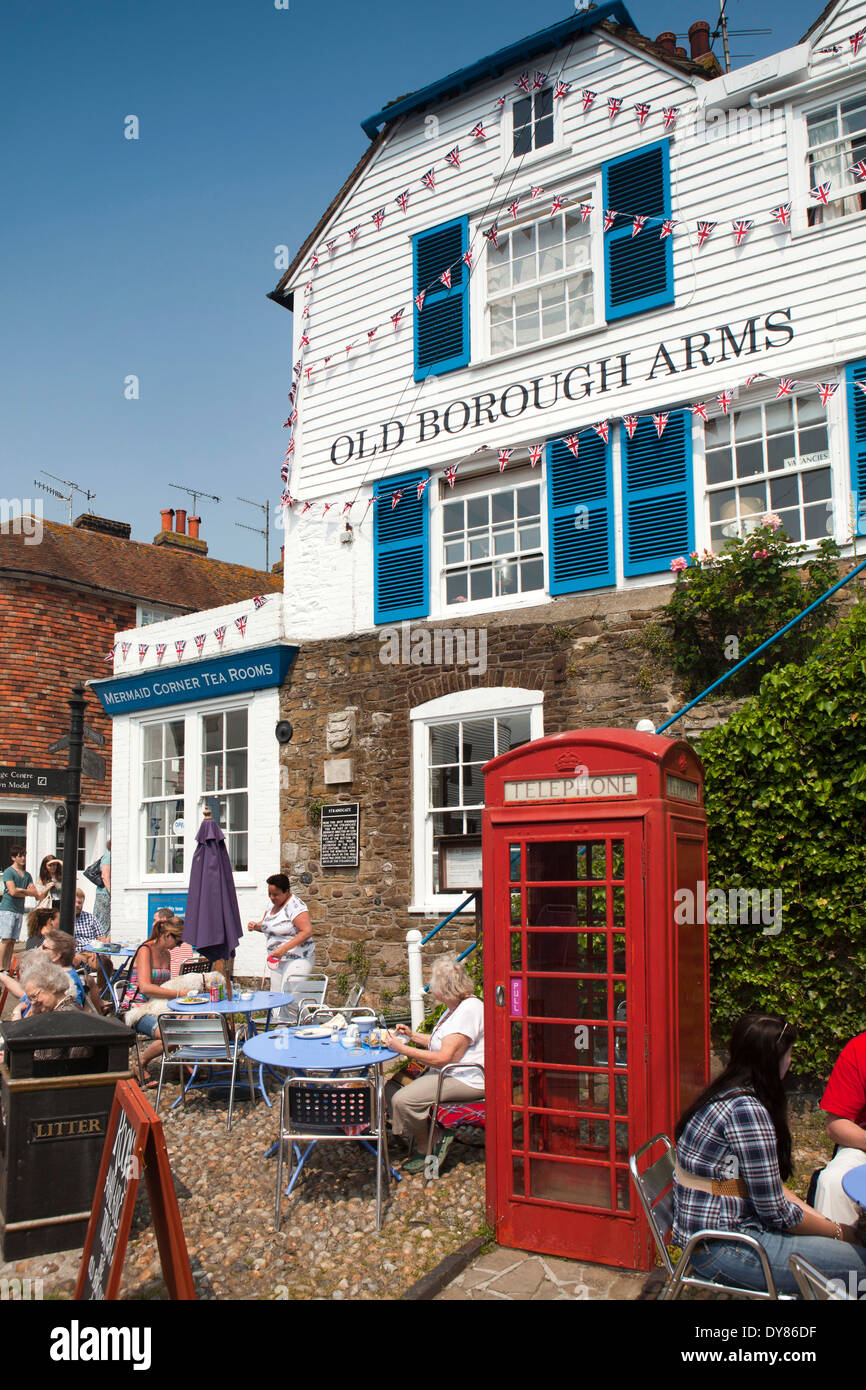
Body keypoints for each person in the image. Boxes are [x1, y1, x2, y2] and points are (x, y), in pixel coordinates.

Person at [672, 1012, 866, 1297]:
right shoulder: (748, 1112)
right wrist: (840, 1233)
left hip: (711, 1238)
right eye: (788, 1054)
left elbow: (771, 1189)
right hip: (729, 1249)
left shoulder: (726, 1092)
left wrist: (832, 1228)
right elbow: (777, 1213)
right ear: (770, 1060)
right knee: (860, 1266)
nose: (791, 1061)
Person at [383, 954, 484, 1175]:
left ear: (445, 987)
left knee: (402, 1100)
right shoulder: (454, 1007)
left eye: (432, 982)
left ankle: (430, 1140)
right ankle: (427, 1130)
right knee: (391, 1088)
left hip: (465, 1078)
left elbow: (445, 1057)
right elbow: (439, 1042)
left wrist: (402, 1050)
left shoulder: (469, 1010)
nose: (429, 987)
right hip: (447, 1072)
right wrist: (412, 1036)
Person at [814, 1030, 866, 1225]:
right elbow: (837, 1125)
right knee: (833, 1182)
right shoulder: (860, 1048)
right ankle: (833, 1253)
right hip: (863, 1144)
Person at [247, 874, 314, 1016]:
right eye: (269, 894)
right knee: (276, 998)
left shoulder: (296, 906)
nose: (271, 897)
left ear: (286, 891)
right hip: (277, 960)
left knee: (290, 994)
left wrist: (283, 949)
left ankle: (299, 1024)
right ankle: (283, 1025)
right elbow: (269, 926)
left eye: (275, 894)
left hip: (298, 958)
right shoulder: (272, 904)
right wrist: (256, 926)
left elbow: (307, 931)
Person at [0, 847, 47, 972]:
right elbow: (12, 891)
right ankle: (0, 967)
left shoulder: (27, 875)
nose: (23, 858)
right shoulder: (9, 872)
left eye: (24, 855)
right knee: (6, 939)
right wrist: (24, 892)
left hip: (19, 910)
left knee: (12, 940)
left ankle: (7, 967)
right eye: (20, 856)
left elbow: (35, 894)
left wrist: (22, 891)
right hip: (8, 909)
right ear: (13, 858)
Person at [93, 840, 111, 937]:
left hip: (106, 894)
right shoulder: (109, 855)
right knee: (102, 924)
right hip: (104, 894)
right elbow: (105, 875)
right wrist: (112, 893)